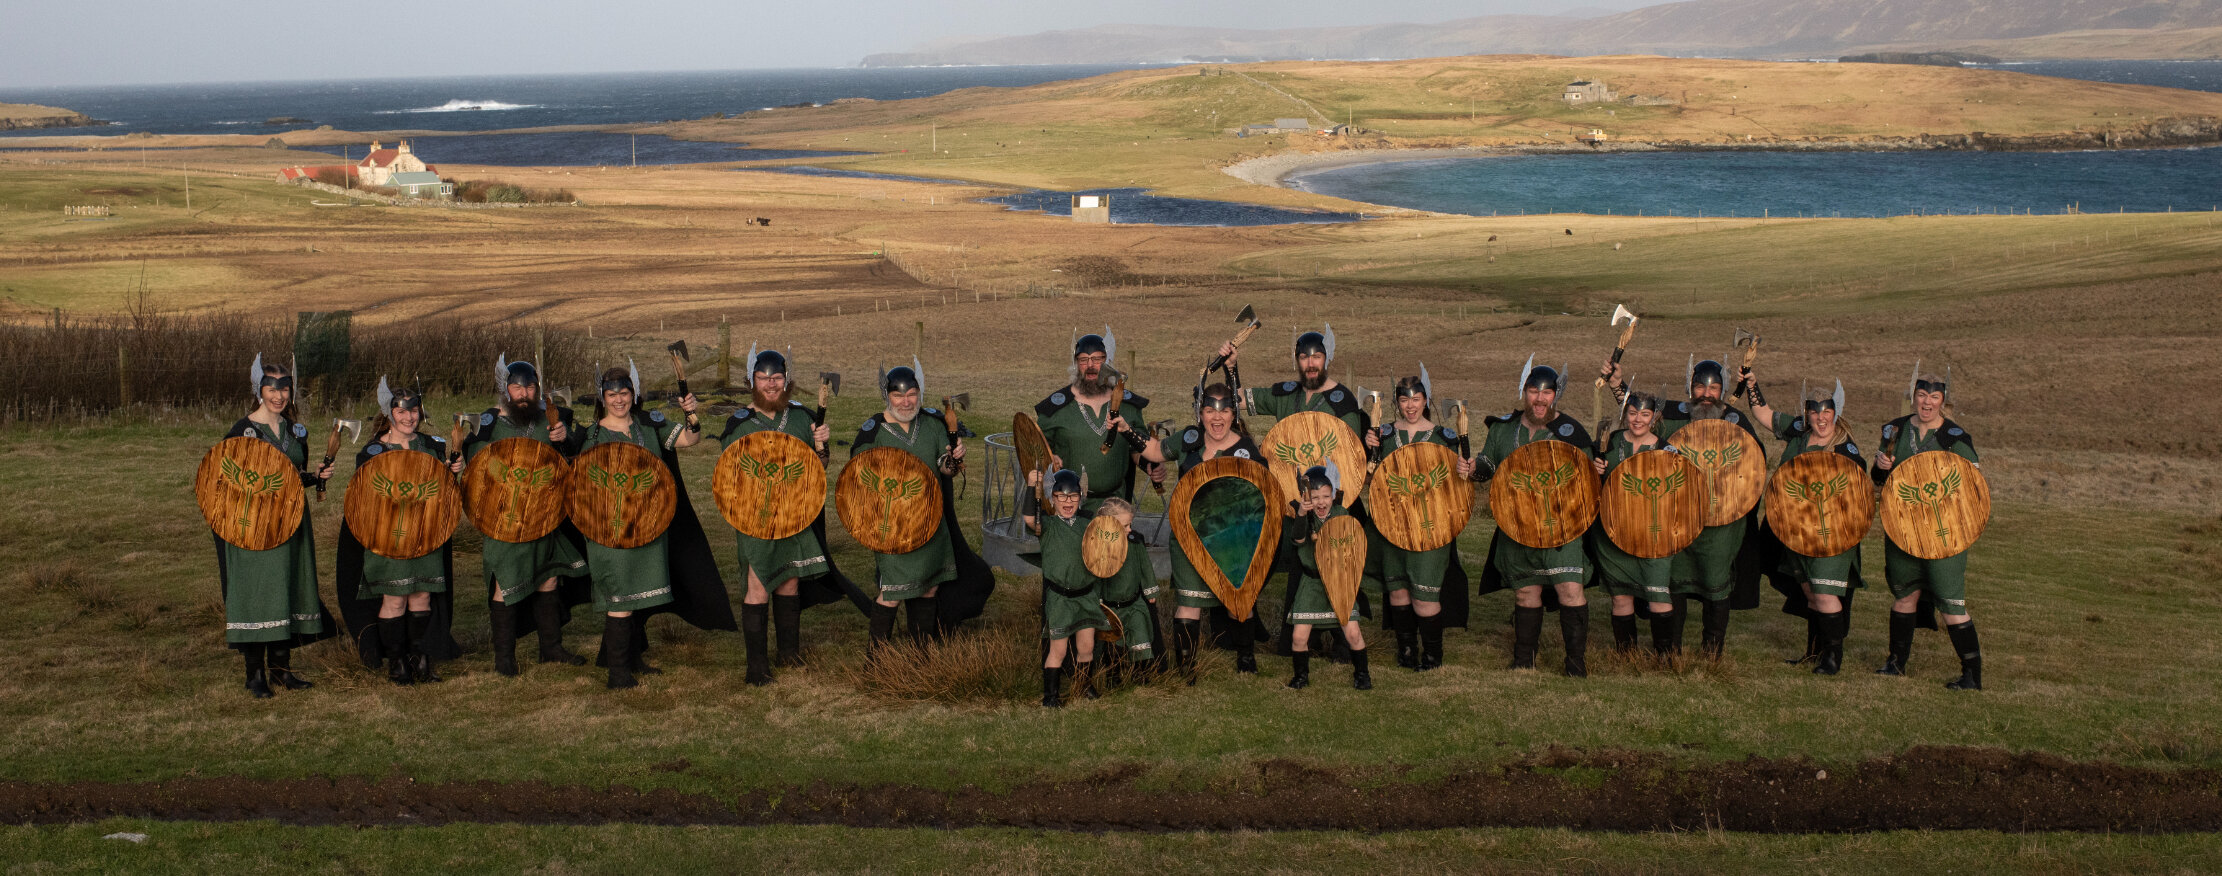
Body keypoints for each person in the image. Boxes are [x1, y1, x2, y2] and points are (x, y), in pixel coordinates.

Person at [715, 347, 863, 687]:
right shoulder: (739, 423)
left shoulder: (800, 417)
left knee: (790, 580)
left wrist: (822, 446)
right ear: (751, 381)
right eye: (764, 378)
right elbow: (728, 474)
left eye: (777, 378)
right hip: (754, 516)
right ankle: (756, 667)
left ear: (787, 381)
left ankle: (789, 654)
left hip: (795, 513)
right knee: (758, 584)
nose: (771, 385)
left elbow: (819, 467)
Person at [1606, 357, 1768, 660]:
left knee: (1716, 582)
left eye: (1714, 388)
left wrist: (1737, 502)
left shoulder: (1734, 421)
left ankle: (1712, 653)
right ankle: (1671, 649)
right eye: (1700, 387)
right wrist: (1617, 384)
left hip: (1722, 520)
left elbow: (1754, 465)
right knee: (1674, 581)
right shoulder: (1674, 414)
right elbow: (1640, 412)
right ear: (1690, 387)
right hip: (1677, 517)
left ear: (1722, 390)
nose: (1706, 394)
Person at [576, 362, 723, 689]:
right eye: (612, 394)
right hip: (609, 531)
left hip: (646, 526)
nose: (619, 399)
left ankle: (632, 660)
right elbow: (581, 488)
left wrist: (692, 414)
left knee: (638, 595)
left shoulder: (650, 426)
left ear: (634, 394)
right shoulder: (591, 437)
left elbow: (690, 439)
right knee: (620, 596)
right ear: (602, 397)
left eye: (624, 393)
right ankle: (617, 675)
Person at [1459, 360, 1596, 677]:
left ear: (1555, 395)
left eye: (1547, 393)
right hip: (1517, 524)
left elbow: (1587, 480)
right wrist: (1475, 468)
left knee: (1570, 589)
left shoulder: (1571, 432)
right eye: (1534, 391)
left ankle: (1576, 664)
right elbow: (1489, 463)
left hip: (1562, 527)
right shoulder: (1503, 429)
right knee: (1526, 591)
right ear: (1524, 392)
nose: (1539, 399)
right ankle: (1524, 660)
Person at [213, 357, 336, 698]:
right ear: (259, 390)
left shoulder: (296, 431)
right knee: (257, 593)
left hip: (291, 521)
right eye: (272, 389)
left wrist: (314, 477)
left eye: (285, 389)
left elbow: (292, 478)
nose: (279, 396)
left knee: (286, 588)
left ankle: (281, 671)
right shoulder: (242, 432)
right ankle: (254, 676)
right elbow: (225, 482)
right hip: (253, 526)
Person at [461, 357, 589, 677]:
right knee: (504, 580)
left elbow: (569, 462)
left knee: (548, 577)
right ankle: (504, 658)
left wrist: (564, 439)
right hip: (503, 517)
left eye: (530, 387)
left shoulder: (549, 419)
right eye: (517, 388)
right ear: (505, 390)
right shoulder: (487, 423)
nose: (524, 394)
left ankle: (551, 649)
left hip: (543, 514)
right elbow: (474, 469)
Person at [335, 379, 463, 686]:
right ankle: (397, 663)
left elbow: (441, 492)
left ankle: (420, 659)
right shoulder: (373, 452)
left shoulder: (431, 445)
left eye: (414, 411)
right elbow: (364, 498)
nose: (409, 417)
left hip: (425, 534)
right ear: (388, 413)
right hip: (388, 537)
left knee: (421, 596)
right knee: (394, 599)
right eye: (401, 412)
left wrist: (452, 473)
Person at [1871, 372, 1985, 691]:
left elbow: (1974, 485)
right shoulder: (1894, 430)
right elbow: (1879, 482)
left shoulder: (1954, 437)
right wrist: (1880, 467)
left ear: (1942, 401)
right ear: (1913, 397)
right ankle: (1895, 663)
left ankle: (1972, 675)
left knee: (1950, 602)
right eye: (1922, 395)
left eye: (1934, 397)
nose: (1927, 403)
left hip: (1944, 534)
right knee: (1904, 594)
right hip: (1903, 528)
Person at [851, 362, 970, 652]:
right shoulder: (873, 431)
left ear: (919, 393)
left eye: (912, 395)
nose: (906, 402)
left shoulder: (932, 424)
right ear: (887, 396)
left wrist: (954, 459)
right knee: (892, 589)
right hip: (891, 524)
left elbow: (946, 468)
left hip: (929, 518)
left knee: (929, 585)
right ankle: (876, 661)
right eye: (898, 396)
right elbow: (857, 476)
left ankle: (920, 656)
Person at [1148, 382, 1264, 678]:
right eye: (1210, 410)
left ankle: (1246, 658)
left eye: (1224, 410)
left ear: (1233, 414)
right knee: (1189, 601)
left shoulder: (1247, 451)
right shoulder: (1189, 439)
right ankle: (1186, 668)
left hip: (1231, 540)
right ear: (1200, 413)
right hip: (1188, 536)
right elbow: (1154, 450)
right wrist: (1125, 428)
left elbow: (1263, 499)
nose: (1217, 417)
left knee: (1238, 601)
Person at [1751, 380, 1867, 676]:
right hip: (1798, 531)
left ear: (1835, 413)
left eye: (1826, 412)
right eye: (1815, 412)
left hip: (1833, 534)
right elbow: (1764, 414)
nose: (1821, 418)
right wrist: (1751, 384)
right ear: (1807, 414)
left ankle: (1833, 659)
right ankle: (1814, 653)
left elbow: (1859, 488)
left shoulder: (1845, 449)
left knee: (1825, 593)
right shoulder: (1799, 434)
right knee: (1811, 592)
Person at [1361, 369, 1471, 670]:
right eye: (1404, 400)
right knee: (1398, 591)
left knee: (1424, 595)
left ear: (1426, 400)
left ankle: (1433, 655)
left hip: (1430, 528)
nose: (1410, 406)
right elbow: (1371, 480)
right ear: (1397, 403)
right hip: (1392, 524)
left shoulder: (1444, 438)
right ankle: (1406, 650)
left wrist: (1466, 469)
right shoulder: (1383, 435)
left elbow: (1458, 485)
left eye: (1416, 399)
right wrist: (1370, 451)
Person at [1587, 387, 1678, 656]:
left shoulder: (1667, 450)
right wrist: (1595, 470)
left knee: (1658, 593)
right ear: (1625, 413)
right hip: (1613, 531)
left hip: (1654, 534)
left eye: (1645, 414)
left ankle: (1664, 658)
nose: (1638, 419)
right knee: (1620, 596)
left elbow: (1679, 495)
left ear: (1655, 417)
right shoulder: (1608, 441)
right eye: (1633, 413)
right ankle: (1626, 656)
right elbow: (1592, 485)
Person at [1036, 329, 1150, 512]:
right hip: (1069, 507)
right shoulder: (1055, 409)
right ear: (1076, 364)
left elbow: (1138, 448)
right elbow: (1035, 451)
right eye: (1083, 360)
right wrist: (1049, 460)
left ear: (1108, 361)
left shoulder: (1128, 406)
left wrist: (1150, 466)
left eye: (1097, 359)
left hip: (1115, 505)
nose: (1090, 365)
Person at [1281, 464, 1372, 691]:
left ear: (1333, 495)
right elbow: (1298, 540)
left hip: (1338, 581)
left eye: (1325, 496)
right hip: (1311, 584)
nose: (1321, 502)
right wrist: (1302, 514)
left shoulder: (1342, 514)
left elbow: (1351, 545)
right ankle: (1301, 676)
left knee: (1353, 633)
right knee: (1299, 637)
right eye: (1315, 497)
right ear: (1307, 498)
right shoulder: (1303, 516)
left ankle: (1362, 674)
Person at [1024, 469, 1103, 706]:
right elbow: (1029, 519)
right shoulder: (1047, 525)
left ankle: (1083, 686)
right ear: (1052, 499)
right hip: (1060, 598)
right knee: (1058, 650)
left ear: (1081, 497)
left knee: (1086, 646)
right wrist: (1031, 486)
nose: (1068, 502)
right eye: (1062, 496)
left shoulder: (1088, 524)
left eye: (1073, 496)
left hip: (1086, 596)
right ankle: (1051, 696)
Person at [1092, 497, 1160, 685]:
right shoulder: (1098, 549)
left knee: (1140, 636)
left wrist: (1150, 591)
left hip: (1134, 604)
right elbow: (1097, 578)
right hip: (1111, 609)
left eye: (1130, 524)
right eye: (1125, 526)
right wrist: (1096, 601)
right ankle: (1113, 676)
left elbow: (1145, 567)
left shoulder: (1135, 544)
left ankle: (1141, 674)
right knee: (1113, 643)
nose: (1130, 529)